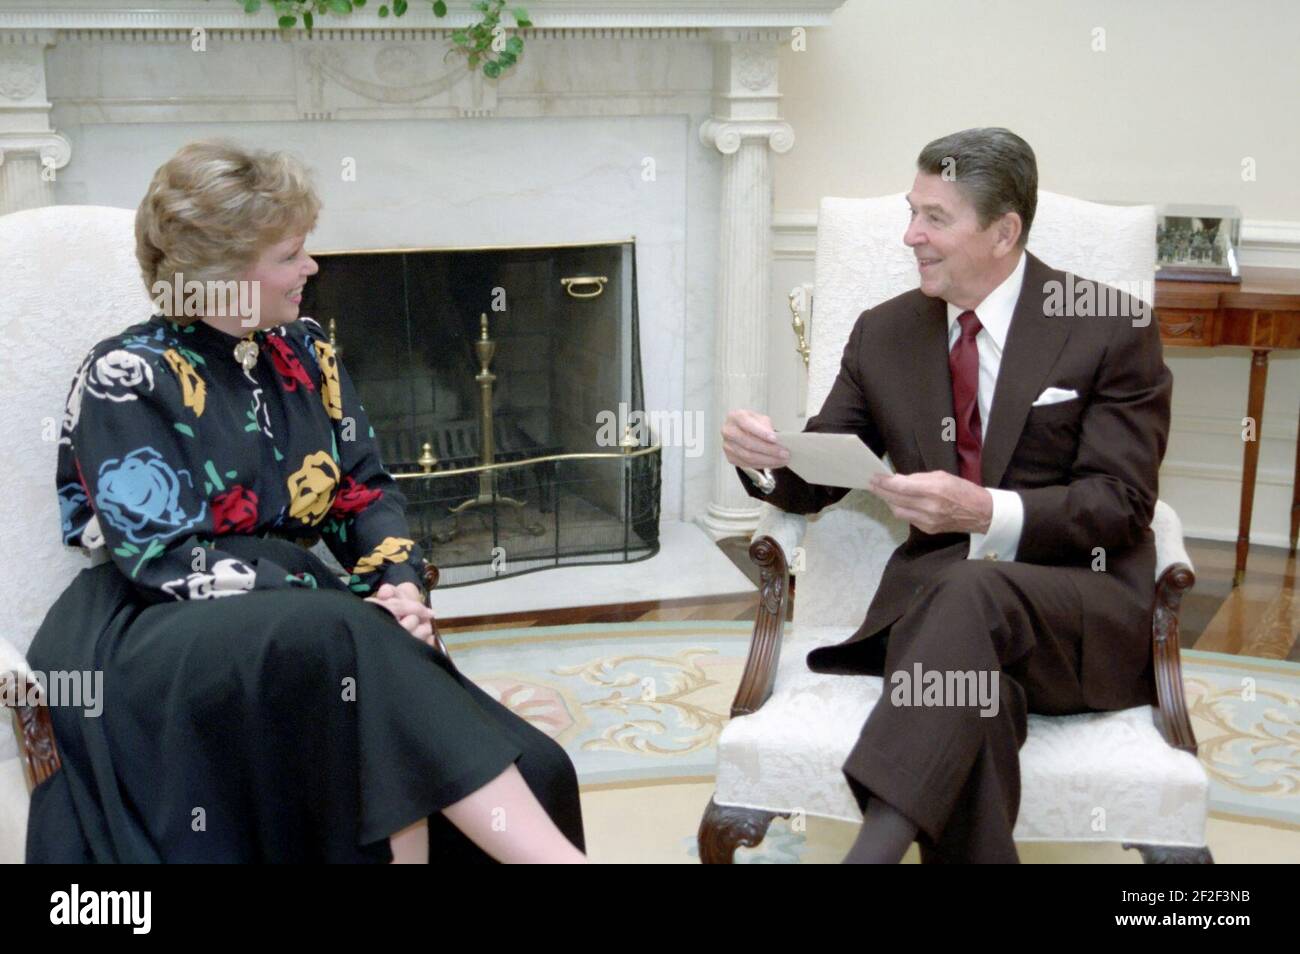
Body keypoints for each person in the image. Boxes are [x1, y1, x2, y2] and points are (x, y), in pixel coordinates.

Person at [25, 139, 586, 864]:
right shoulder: (125, 373)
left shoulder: (307, 350)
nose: (312, 268)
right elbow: (163, 559)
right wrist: (351, 605)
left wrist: (397, 582)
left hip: (306, 622)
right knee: (343, 634)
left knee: (537, 767)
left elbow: (363, 491)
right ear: (224, 275)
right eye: (290, 255)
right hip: (152, 631)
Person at [722, 127, 1172, 863]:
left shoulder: (1107, 326)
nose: (911, 236)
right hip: (943, 629)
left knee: (971, 590)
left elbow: (1121, 504)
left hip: (1079, 610)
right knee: (975, 703)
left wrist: (986, 512)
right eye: (911, 212)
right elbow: (819, 472)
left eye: (935, 218)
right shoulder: (885, 335)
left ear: (1004, 231)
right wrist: (765, 460)